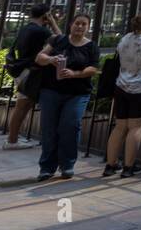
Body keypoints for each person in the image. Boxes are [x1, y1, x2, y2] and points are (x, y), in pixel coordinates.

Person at [33, 14, 100, 181]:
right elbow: (39, 57)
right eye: (77, 23)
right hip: (51, 90)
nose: (80, 27)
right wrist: (50, 59)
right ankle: (47, 167)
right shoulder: (57, 40)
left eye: (84, 24)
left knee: (70, 126)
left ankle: (67, 164)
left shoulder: (91, 46)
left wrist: (75, 74)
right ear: (71, 24)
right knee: (49, 128)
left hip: (77, 93)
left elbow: (93, 68)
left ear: (88, 27)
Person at [104, 10, 141, 178]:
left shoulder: (125, 39)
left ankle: (110, 164)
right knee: (136, 127)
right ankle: (129, 167)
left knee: (120, 126)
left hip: (121, 86)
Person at [3, 4, 58, 149]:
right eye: (49, 15)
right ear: (45, 15)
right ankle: (12, 141)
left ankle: (13, 139)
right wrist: (53, 23)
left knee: (23, 105)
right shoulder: (41, 31)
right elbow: (60, 40)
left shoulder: (26, 28)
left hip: (22, 70)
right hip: (30, 72)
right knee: (22, 105)